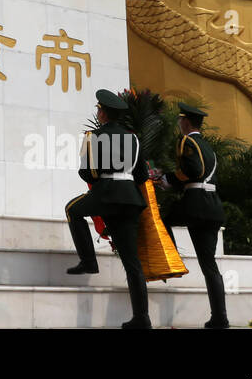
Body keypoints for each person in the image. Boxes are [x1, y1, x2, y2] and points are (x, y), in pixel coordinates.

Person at [64, 88, 151, 329]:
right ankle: (142, 318)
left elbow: (85, 172)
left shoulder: (92, 136)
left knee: (72, 210)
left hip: (107, 193)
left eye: (99, 109)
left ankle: (89, 261)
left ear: (102, 113)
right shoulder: (133, 138)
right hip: (131, 199)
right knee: (132, 262)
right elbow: (142, 175)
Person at [156, 101, 228, 329]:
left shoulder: (187, 141)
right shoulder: (207, 146)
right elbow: (201, 174)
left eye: (180, 120)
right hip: (213, 206)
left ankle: (172, 260)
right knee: (209, 265)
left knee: (164, 219)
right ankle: (220, 318)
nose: (179, 124)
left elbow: (193, 171)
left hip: (196, 204)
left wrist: (167, 179)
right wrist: (169, 179)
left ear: (185, 122)